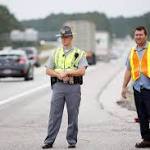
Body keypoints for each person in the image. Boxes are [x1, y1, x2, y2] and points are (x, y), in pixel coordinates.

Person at [42, 26, 88, 149]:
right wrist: (59, 75)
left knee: (73, 114)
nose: (64, 39)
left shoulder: (79, 53)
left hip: (73, 87)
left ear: (71, 37)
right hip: (58, 86)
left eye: (66, 37)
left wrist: (68, 73)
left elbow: (82, 71)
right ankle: (49, 141)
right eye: (62, 37)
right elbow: (47, 70)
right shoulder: (55, 52)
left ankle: (72, 141)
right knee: (54, 114)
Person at [121, 26, 150, 148]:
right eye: (136, 35)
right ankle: (147, 139)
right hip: (137, 88)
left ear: (146, 36)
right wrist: (124, 86)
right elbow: (128, 70)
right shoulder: (132, 51)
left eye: (140, 35)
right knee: (142, 116)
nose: (138, 37)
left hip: (149, 88)